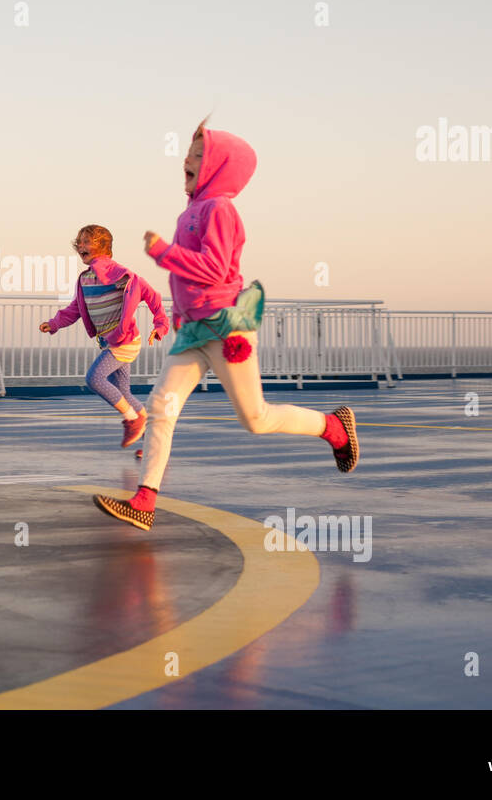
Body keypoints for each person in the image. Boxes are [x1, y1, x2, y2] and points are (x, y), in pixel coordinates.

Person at [93, 121, 359, 531]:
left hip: (225, 328)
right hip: (193, 332)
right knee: (162, 406)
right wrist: (179, 312)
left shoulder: (220, 210)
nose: (188, 159)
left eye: (199, 154)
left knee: (256, 418)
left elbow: (214, 270)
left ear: (219, 166)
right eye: (188, 151)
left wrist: (164, 253)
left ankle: (333, 427)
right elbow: (186, 279)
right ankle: (145, 500)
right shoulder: (190, 212)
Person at [40, 225, 169, 448]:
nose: (81, 245)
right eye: (79, 241)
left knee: (94, 379)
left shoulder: (118, 274)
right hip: (110, 343)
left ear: (103, 247)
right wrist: (54, 324)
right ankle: (151, 443)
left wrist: (160, 325)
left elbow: (152, 295)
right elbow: (75, 309)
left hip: (124, 341)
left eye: (87, 242)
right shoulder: (85, 279)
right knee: (124, 392)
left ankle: (133, 419)